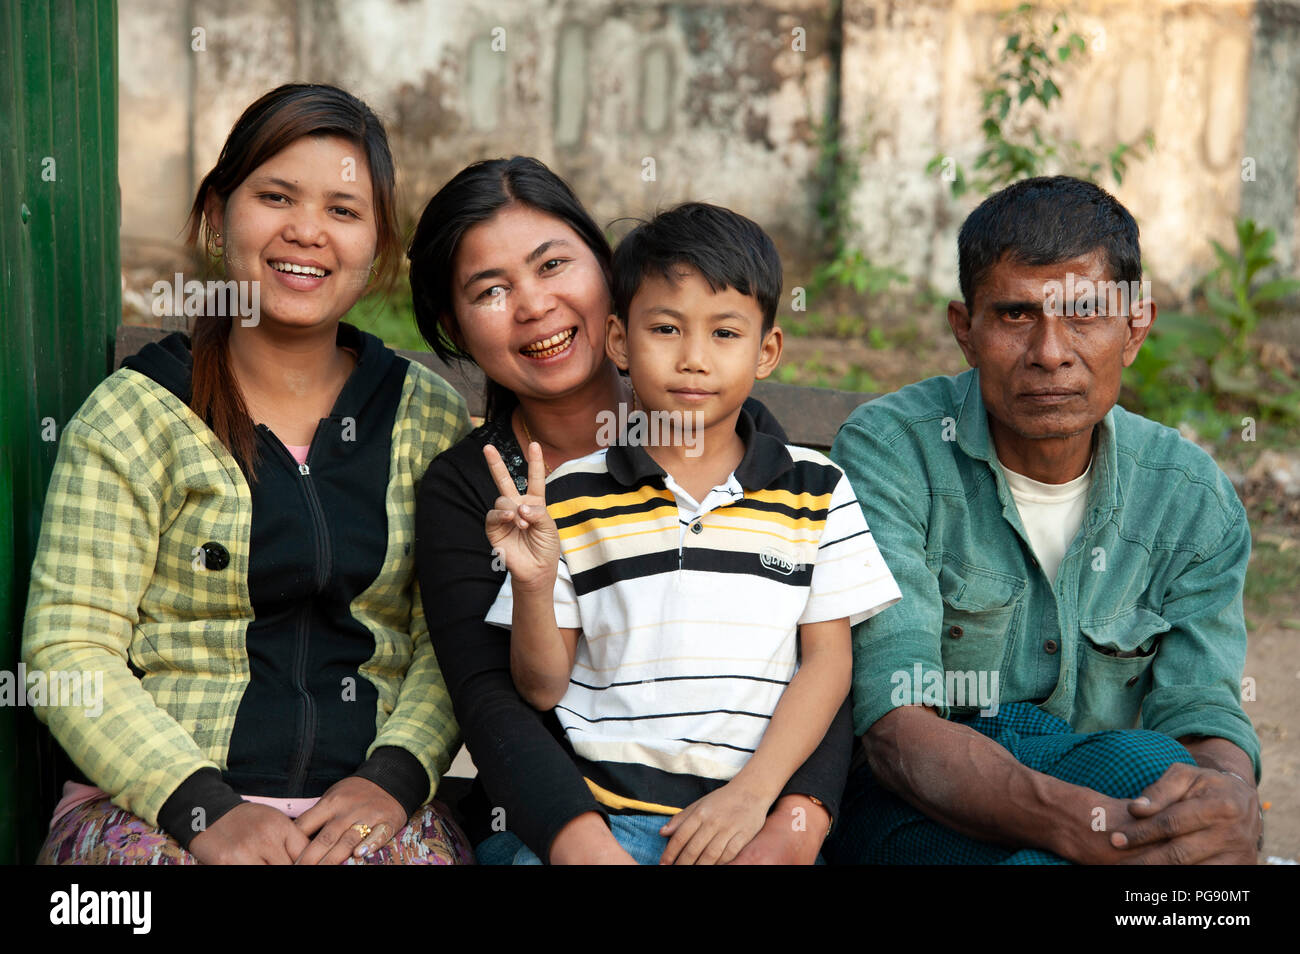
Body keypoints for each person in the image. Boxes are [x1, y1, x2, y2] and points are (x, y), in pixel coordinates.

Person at [22, 83, 474, 865]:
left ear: (378, 245)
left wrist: (394, 779)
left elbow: (448, 639)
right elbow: (69, 648)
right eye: (275, 197)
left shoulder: (422, 417)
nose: (307, 231)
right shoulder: (135, 414)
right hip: (156, 807)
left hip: (365, 811)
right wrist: (202, 808)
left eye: (343, 210)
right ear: (217, 213)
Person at [411, 158, 855, 864]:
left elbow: (820, 655)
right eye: (491, 290)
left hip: (748, 826)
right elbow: (501, 700)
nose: (532, 305)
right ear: (456, 327)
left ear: (606, 273)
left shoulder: (761, 454)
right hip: (582, 827)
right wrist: (587, 848)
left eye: (553, 264)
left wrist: (791, 821)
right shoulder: (481, 493)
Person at [825, 175, 1262, 864]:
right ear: (965, 332)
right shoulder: (893, 451)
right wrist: (1078, 829)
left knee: (1162, 778)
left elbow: (1202, 716)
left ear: (1135, 329)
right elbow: (896, 727)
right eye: (1016, 316)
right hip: (917, 798)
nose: (1051, 352)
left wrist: (1229, 798)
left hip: (1105, 784)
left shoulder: (1188, 496)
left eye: (1084, 312)